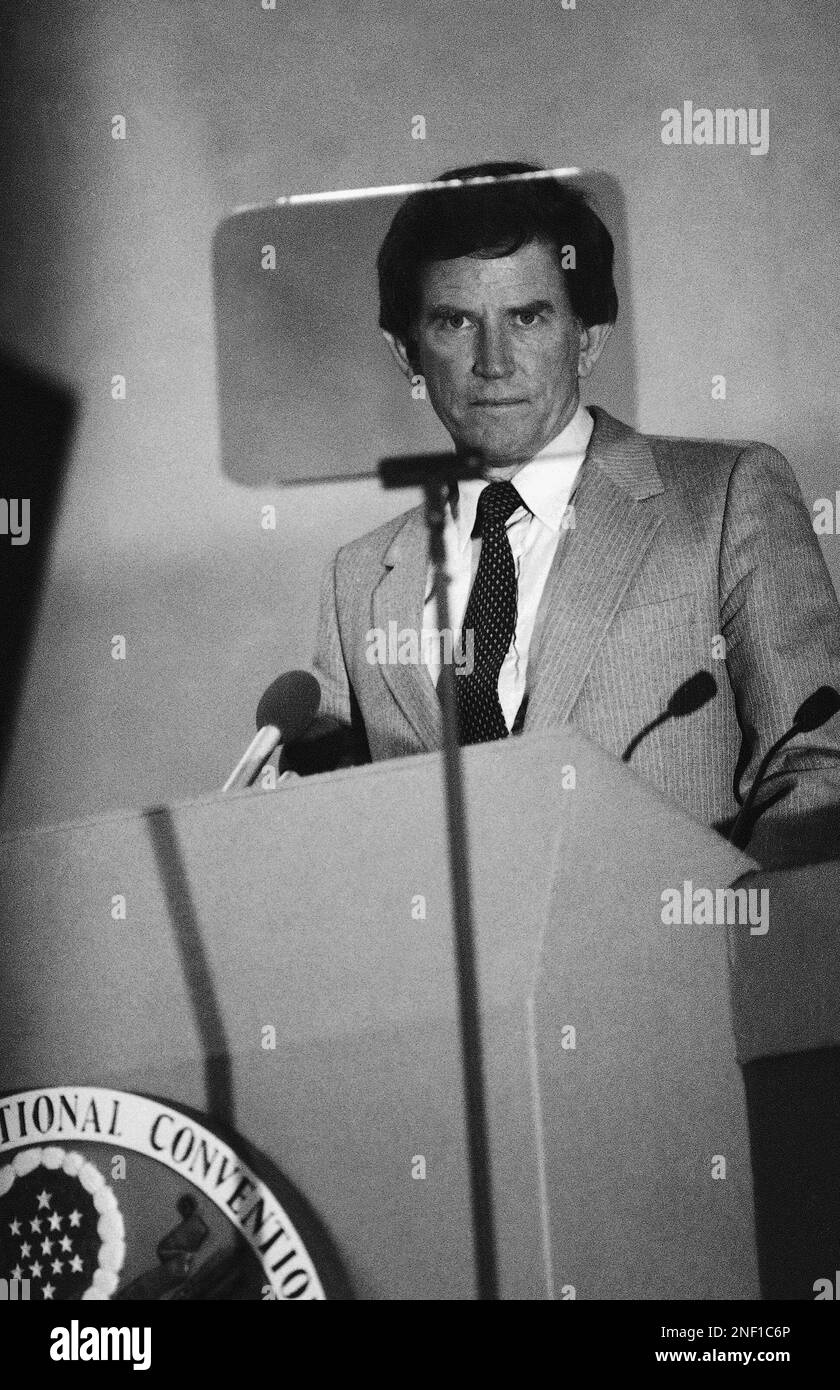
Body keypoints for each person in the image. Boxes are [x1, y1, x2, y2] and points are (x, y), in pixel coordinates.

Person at [291, 161, 840, 868]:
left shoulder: (728, 496)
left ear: (587, 338)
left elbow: (818, 766)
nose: (495, 362)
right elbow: (342, 829)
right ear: (408, 354)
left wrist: (721, 938)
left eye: (527, 316)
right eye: (456, 322)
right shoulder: (359, 581)